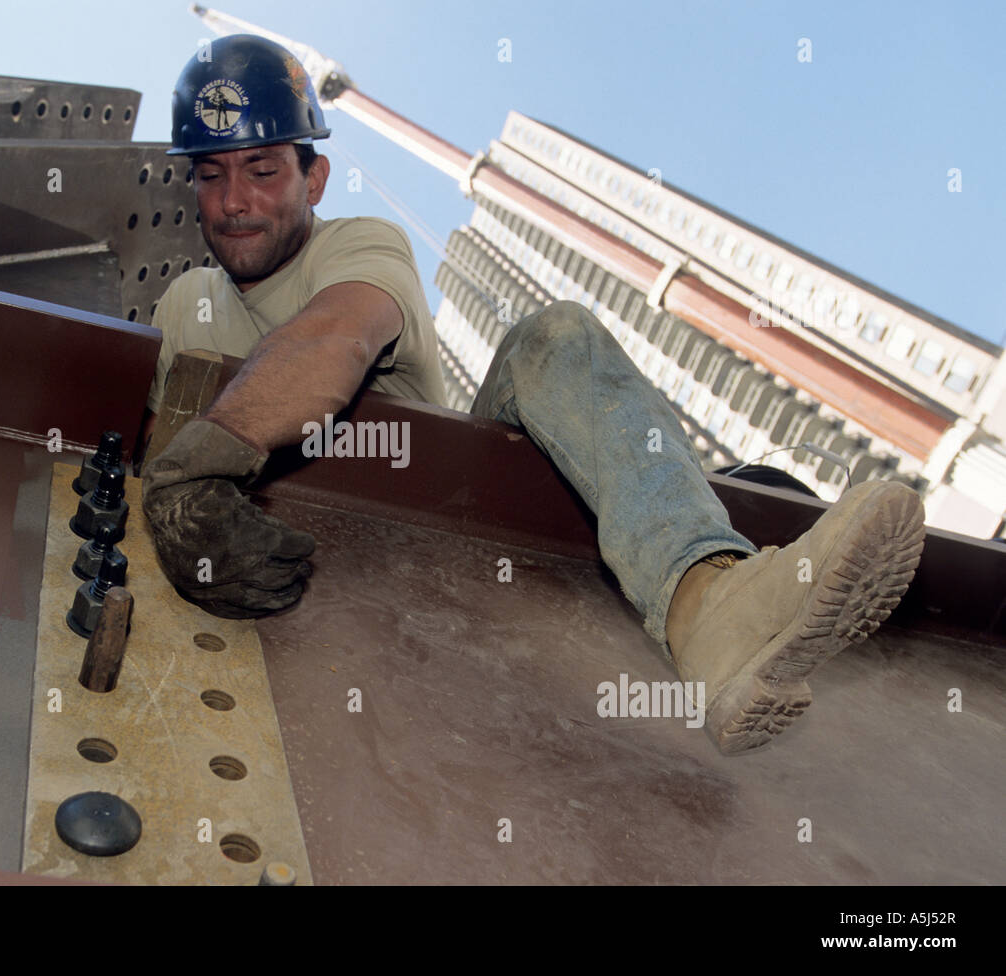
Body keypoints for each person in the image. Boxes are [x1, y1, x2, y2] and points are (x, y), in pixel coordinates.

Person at [138, 34, 926, 755]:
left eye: (263, 169)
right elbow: (153, 442)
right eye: (211, 174)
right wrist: (172, 498)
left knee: (555, 337)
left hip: (443, 523)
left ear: (315, 178)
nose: (235, 200)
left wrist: (208, 457)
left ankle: (710, 610)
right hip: (277, 577)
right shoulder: (185, 301)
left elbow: (335, 340)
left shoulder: (357, 245)